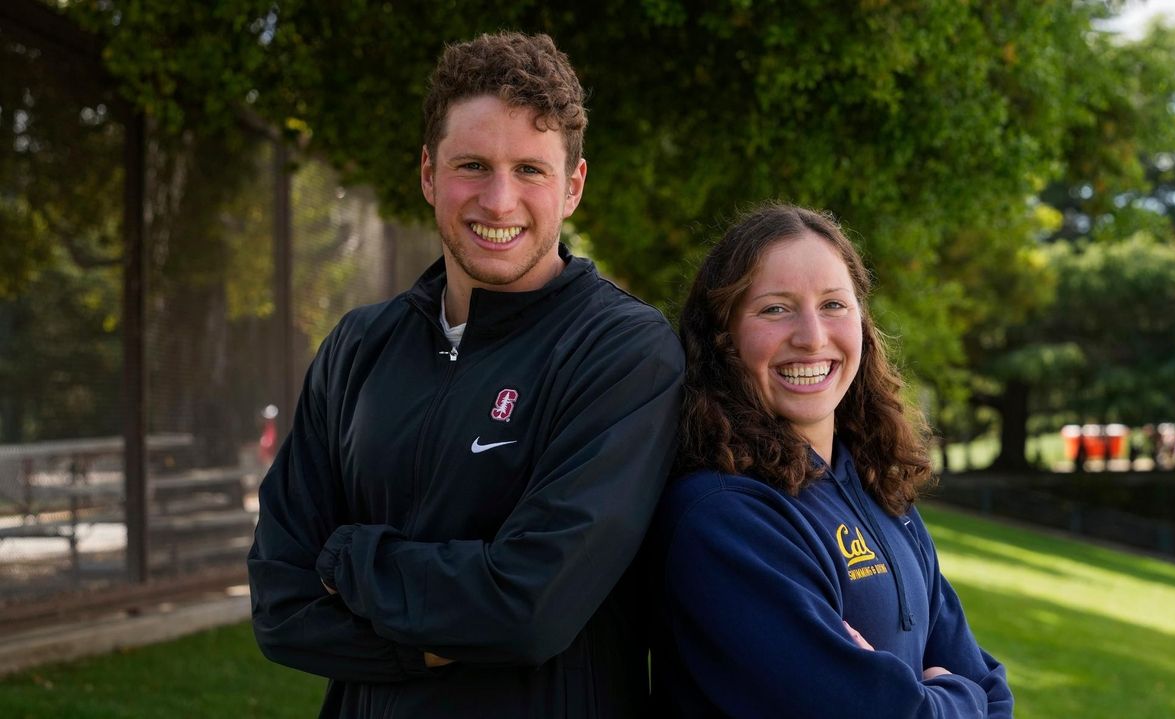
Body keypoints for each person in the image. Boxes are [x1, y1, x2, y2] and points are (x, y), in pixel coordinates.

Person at [248, 32, 684, 718]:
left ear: (573, 186)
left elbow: (527, 608)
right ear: (428, 174)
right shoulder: (358, 346)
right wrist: (425, 642)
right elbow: (278, 603)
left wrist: (348, 558)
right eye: (472, 165)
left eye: (531, 171)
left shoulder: (624, 351)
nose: (499, 200)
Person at [647, 204, 1013, 718]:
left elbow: (991, 686)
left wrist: (942, 696)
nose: (812, 337)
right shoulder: (719, 516)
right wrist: (957, 698)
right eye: (775, 309)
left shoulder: (877, 490)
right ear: (723, 337)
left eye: (834, 305)